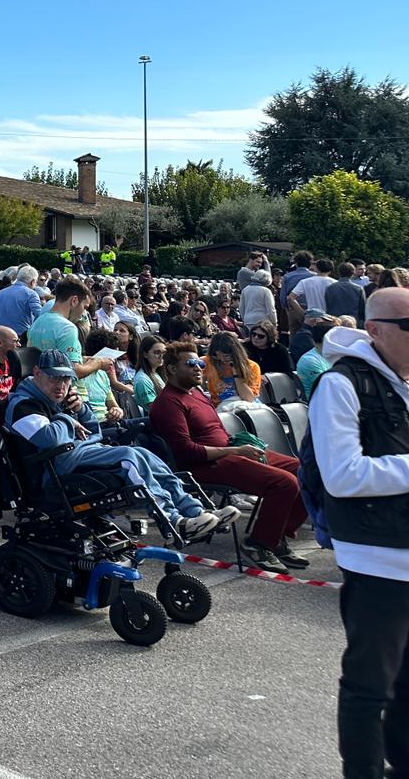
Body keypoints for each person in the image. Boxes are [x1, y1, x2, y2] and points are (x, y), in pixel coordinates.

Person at [312, 289, 409, 779]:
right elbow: (342, 475)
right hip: (377, 556)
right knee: (370, 686)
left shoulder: (400, 381)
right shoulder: (340, 384)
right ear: (375, 330)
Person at [3, 348, 235, 542]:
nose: (61, 385)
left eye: (66, 379)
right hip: (53, 470)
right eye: (55, 377)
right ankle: (173, 521)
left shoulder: (56, 399)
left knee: (144, 454)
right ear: (37, 372)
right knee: (128, 457)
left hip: (80, 453)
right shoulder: (23, 405)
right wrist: (68, 419)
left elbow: (93, 430)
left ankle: (195, 511)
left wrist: (81, 409)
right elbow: (50, 439)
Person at [149, 341, 306, 573]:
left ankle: (277, 536)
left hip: (230, 453)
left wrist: (239, 445)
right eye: (190, 364)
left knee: (306, 471)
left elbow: (217, 432)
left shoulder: (197, 394)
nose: (198, 368)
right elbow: (186, 452)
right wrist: (235, 451)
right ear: (172, 369)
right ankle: (259, 544)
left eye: (200, 363)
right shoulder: (168, 403)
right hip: (205, 465)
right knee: (284, 483)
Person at [203, 331, 264, 406]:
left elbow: (249, 398)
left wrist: (236, 373)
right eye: (218, 355)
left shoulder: (252, 366)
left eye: (226, 356)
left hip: (246, 404)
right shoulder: (208, 362)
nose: (222, 359)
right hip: (221, 406)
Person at [0, 265, 44, 340]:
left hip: (1, 337)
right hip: (21, 338)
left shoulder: (1, 293)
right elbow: (40, 315)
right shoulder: (31, 294)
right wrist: (33, 331)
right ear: (33, 282)